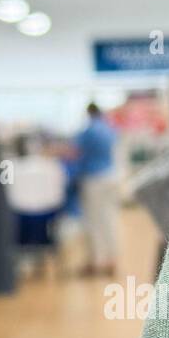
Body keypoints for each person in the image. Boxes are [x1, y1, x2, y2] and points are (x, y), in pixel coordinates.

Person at [7, 134, 67, 279]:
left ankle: (25, 262)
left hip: (21, 218)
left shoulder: (10, 167)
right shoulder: (53, 166)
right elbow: (59, 194)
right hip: (46, 217)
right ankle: (40, 259)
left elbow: (7, 195)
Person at [74, 102, 120, 277]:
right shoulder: (109, 129)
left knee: (93, 221)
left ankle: (96, 261)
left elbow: (76, 152)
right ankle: (111, 259)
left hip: (93, 178)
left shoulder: (89, 131)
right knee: (110, 218)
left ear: (88, 113)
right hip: (111, 176)